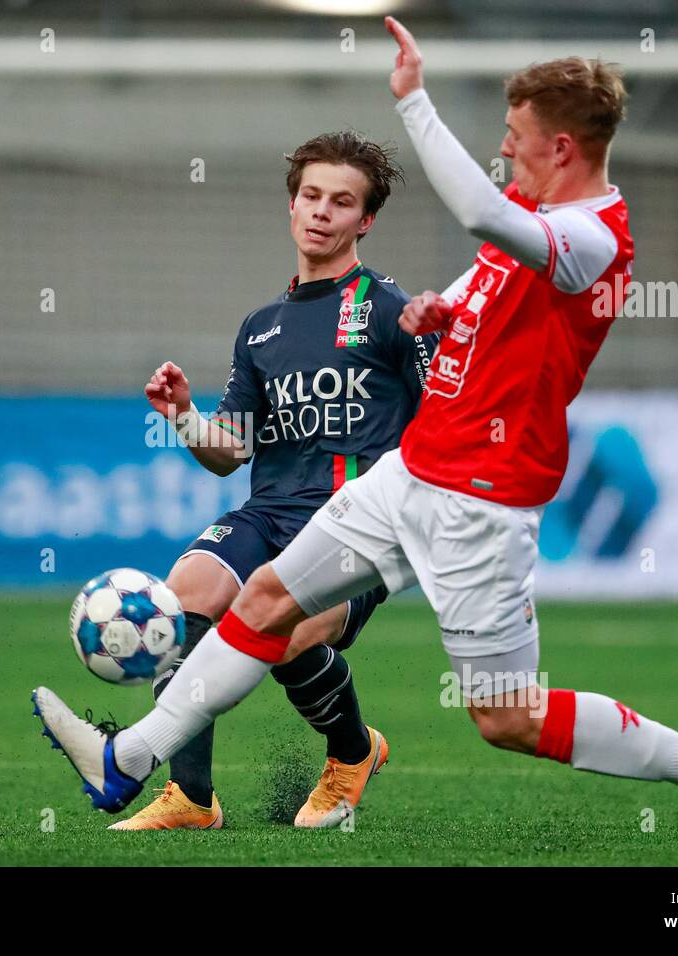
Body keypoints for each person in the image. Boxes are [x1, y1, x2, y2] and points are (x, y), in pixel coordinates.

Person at [32, 17, 678, 858]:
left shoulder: (593, 237)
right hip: (410, 474)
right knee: (264, 602)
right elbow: (471, 288)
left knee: (507, 717)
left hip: (481, 501)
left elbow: (479, 214)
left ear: (564, 147)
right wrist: (442, 313)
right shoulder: (532, 220)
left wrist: (414, 101)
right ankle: (126, 760)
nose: (505, 150)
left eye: (517, 138)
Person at [105, 130, 438, 830]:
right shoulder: (262, 328)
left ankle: (352, 752)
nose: (321, 211)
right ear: (291, 206)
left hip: (359, 519)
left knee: (286, 635)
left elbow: (445, 414)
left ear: (364, 220)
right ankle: (191, 798)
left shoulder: (388, 310)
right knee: (181, 601)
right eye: (311, 196)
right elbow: (233, 450)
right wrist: (186, 417)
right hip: (270, 511)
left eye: (340, 201)